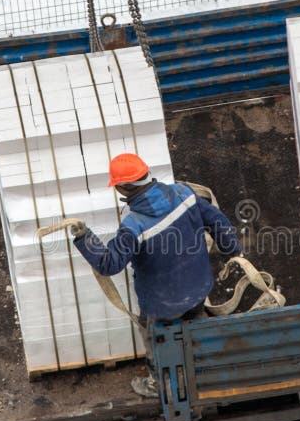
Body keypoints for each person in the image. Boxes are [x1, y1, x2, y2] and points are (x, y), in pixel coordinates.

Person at [72, 153, 241, 397]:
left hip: (162, 306)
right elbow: (218, 222)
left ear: (122, 187)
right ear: (146, 174)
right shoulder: (184, 194)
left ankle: (158, 382)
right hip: (198, 288)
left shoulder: (134, 226)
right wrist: (232, 252)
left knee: (154, 336)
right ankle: (205, 369)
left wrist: (84, 238)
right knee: (196, 323)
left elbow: (109, 264)